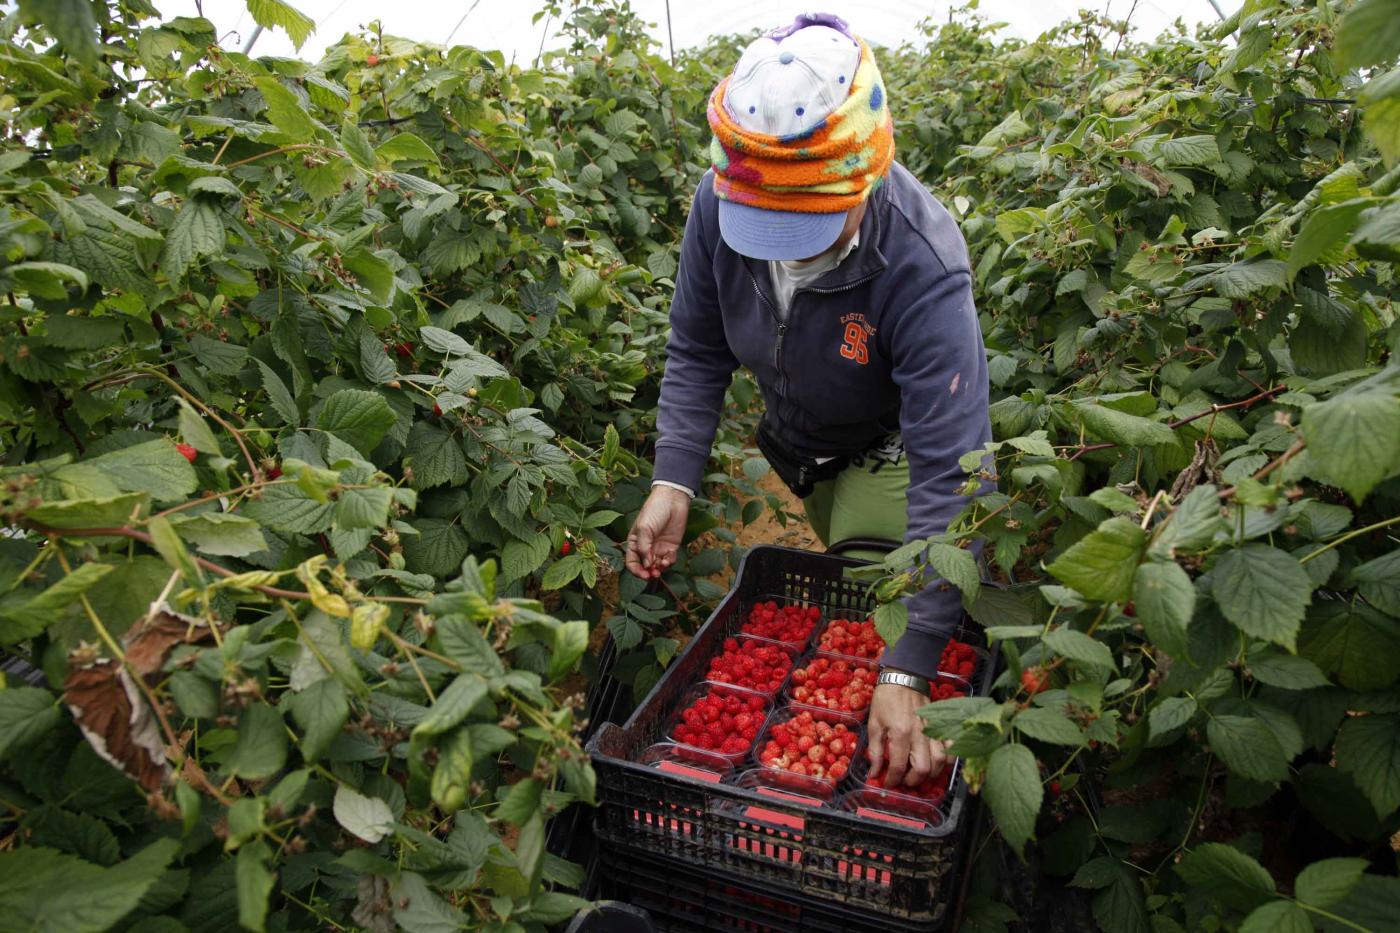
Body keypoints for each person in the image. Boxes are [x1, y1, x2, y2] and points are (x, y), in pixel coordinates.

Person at [623, 13, 991, 791]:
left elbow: (952, 472)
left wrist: (906, 668)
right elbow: (696, 345)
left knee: (880, 604)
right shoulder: (717, 209)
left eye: (811, 224)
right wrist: (674, 480)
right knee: (857, 594)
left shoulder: (923, 265)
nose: (786, 245)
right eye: (767, 224)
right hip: (801, 448)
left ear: (865, 172)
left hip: (888, 452)